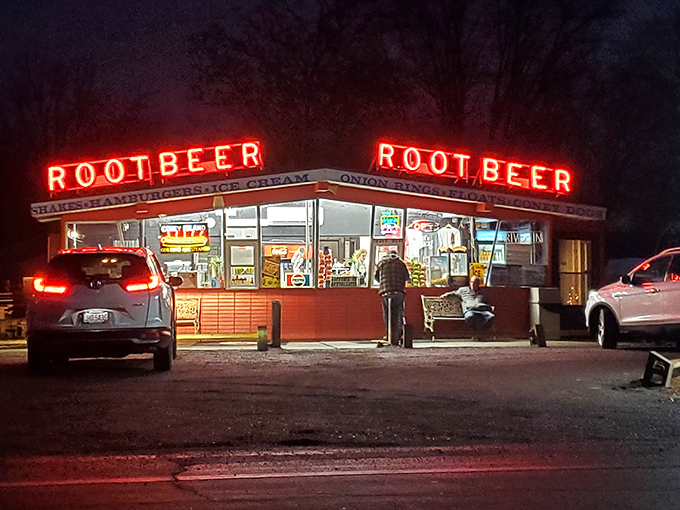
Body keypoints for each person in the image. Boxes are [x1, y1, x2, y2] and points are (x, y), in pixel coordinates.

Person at [441, 275, 495, 339]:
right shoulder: (463, 290)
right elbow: (454, 293)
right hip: (470, 310)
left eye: (475, 282)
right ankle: (475, 333)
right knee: (469, 316)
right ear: (470, 282)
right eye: (472, 282)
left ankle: (480, 332)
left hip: (482, 310)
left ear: (478, 284)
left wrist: (488, 307)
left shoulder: (483, 292)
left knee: (491, 317)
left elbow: (487, 301)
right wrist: (446, 294)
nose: (473, 284)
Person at [375, 250, 410, 345]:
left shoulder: (381, 263)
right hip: (399, 291)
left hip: (385, 292)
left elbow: (376, 278)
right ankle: (398, 335)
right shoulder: (401, 263)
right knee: (399, 313)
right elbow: (407, 277)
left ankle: (389, 334)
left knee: (387, 314)